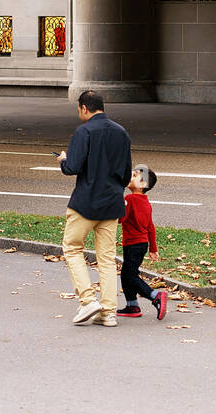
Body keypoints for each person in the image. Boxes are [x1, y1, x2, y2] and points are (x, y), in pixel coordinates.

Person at [59, 90, 133, 327]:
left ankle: (88, 300)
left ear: (83, 108)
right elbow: (125, 174)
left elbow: (73, 167)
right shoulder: (122, 133)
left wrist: (62, 160)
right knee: (107, 258)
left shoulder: (84, 131)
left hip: (85, 202)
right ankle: (109, 312)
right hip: (112, 203)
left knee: (72, 248)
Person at [117, 164, 168, 320]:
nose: (130, 176)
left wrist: (117, 203)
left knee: (129, 275)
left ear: (143, 184)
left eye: (134, 176)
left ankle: (154, 296)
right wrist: (153, 248)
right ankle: (132, 305)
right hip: (141, 244)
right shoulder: (145, 201)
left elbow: (121, 219)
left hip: (132, 244)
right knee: (128, 275)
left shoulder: (130, 199)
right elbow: (150, 227)